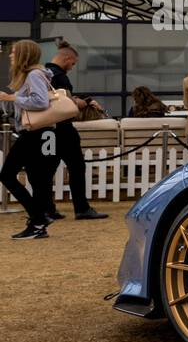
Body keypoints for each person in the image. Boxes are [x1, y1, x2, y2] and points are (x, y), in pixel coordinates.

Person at [0, 40, 59, 239]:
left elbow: (40, 102)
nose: (10, 55)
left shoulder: (33, 75)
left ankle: (38, 217)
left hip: (34, 133)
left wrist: (11, 98)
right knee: (37, 179)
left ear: (24, 55)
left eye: (14, 52)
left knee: (7, 174)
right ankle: (38, 221)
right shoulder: (32, 75)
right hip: (39, 133)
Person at [43, 43, 108, 221]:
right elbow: (69, 104)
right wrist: (85, 102)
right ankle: (82, 208)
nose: (72, 68)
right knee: (77, 167)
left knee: (47, 170)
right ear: (67, 59)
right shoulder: (61, 77)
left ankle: (47, 209)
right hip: (64, 129)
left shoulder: (44, 74)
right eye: (72, 64)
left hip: (48, 129)